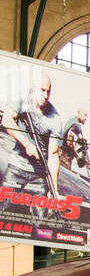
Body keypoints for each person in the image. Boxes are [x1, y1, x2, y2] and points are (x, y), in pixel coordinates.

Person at [0, 72, 62, 211]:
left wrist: (54, 189)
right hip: (17, 166)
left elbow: (53, 155)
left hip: (40, 174)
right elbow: (7, 120)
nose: (45, 96)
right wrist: (27, 144)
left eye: (48, 91)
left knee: (39, 221)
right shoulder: (24, 100)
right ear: (34, 87)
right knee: (2, 210)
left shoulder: (55, 118)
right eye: (42, 90)